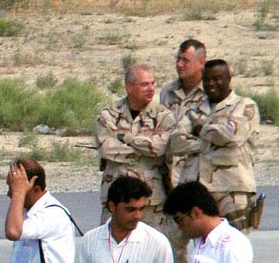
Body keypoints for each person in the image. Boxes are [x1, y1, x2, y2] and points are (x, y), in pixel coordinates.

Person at [167, 58, 261, 232]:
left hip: (231, 190)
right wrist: (208, 142)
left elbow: (232, 135)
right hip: (198, 192)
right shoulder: (193, 109)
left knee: (235, 243)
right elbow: (176, 142)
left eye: (217, 79)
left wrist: (200, 129)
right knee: (201, 244)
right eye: (207, 79)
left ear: (228, 79)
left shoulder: (245, 106)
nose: (211, 84)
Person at [95, 64, 172, 214]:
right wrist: (146, 148)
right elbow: (106, 149)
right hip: (117, 198)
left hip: (151, 200)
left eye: (153, 83)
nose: (151, 89)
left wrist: (126, 138)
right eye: (144, 84)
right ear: (129, 87)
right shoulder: (109, 114)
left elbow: (160, 147)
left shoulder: (163, 115)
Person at [162, 37, 208, 113]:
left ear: (201, 63)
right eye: (178, 59)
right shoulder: (167, 92)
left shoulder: (210, 92)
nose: (179, 64)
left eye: (185, 60)